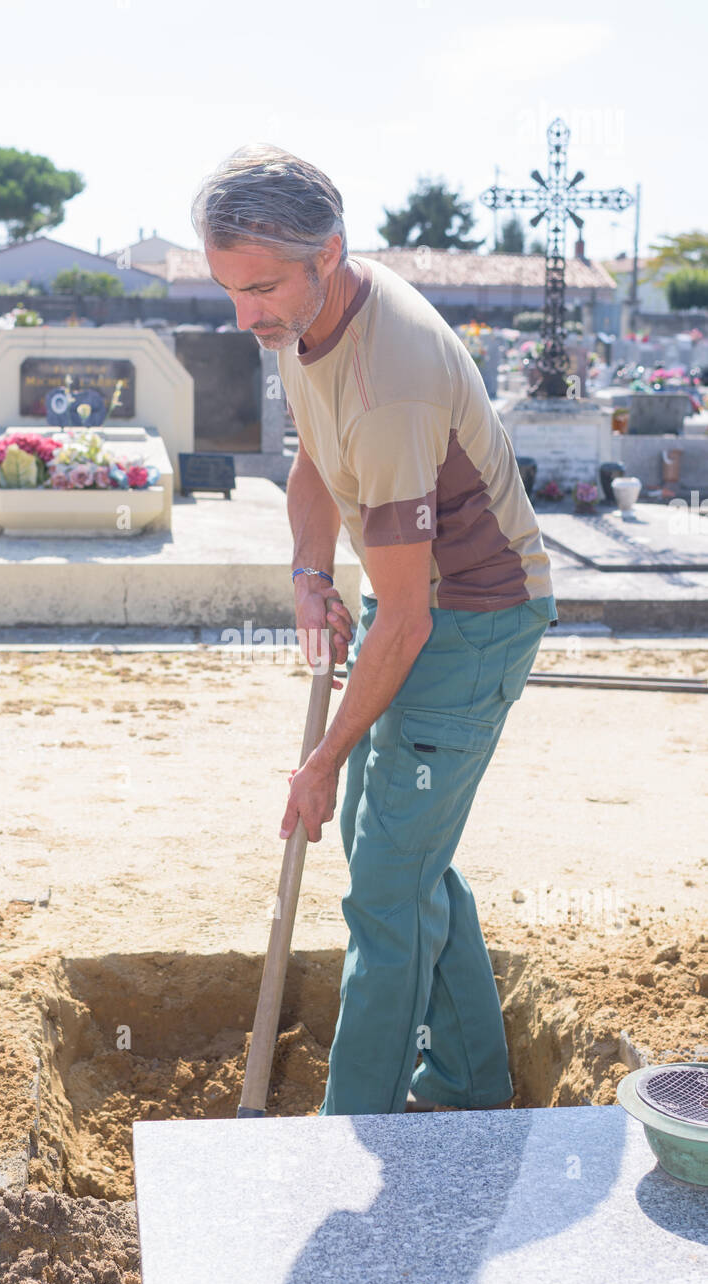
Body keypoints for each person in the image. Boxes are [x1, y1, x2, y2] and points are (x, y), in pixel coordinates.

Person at [191, 145, 558, 1117]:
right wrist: (311, 571)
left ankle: (354, 1123)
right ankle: (472, 1078)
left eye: (261, 288)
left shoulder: (390, 376)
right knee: (390, 841)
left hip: (474, 617)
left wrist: (319, 761)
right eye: (230, 290)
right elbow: (313, 459)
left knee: (386, 889)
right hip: (423, 604)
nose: (246, 316)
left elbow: (404, 620)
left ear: (331, 252)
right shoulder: (309, 321)